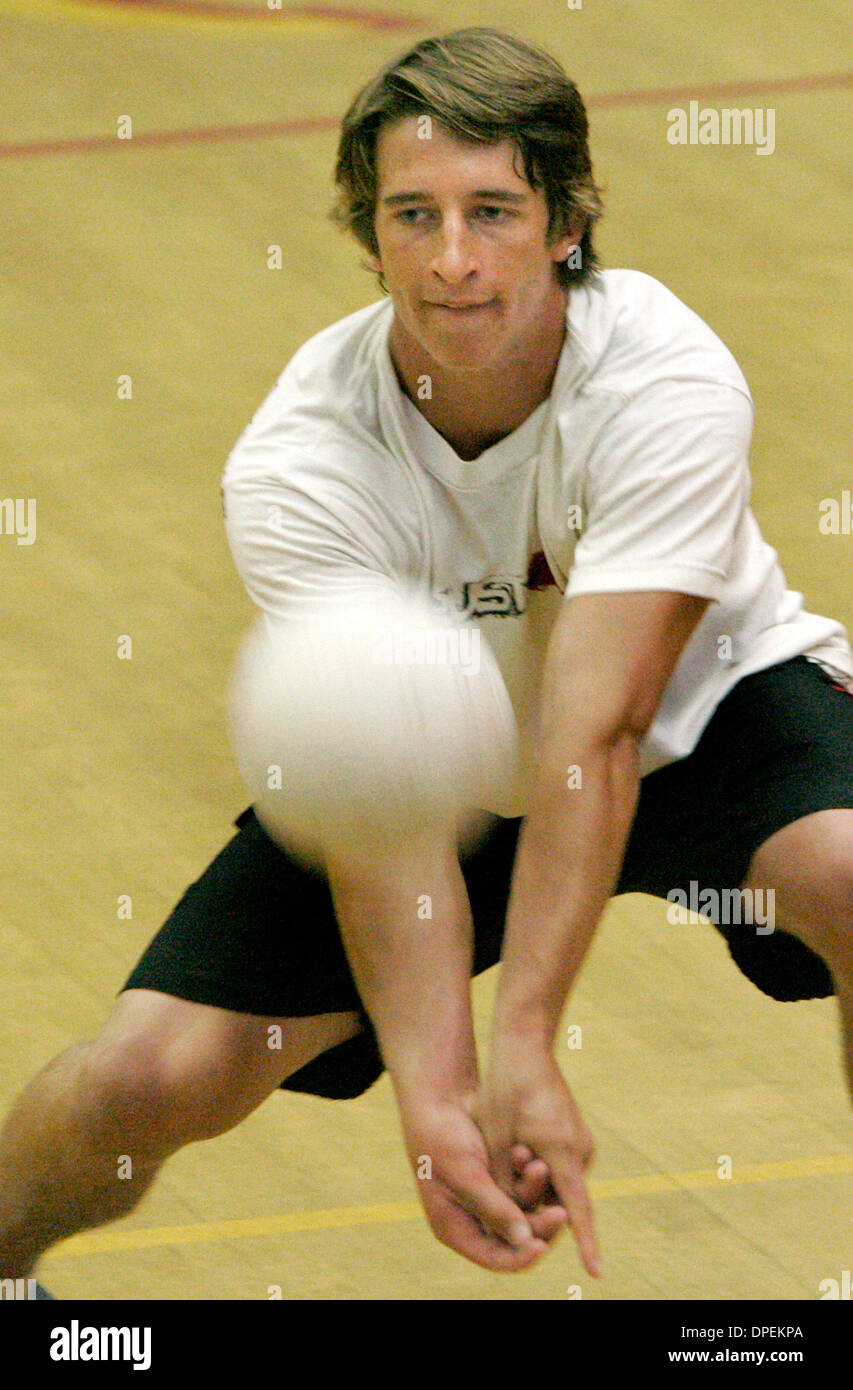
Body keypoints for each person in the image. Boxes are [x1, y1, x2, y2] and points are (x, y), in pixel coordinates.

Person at [1, 26, 852, 1291]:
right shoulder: (301, 464)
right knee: (150, 1073)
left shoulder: (663, 378)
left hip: (696, 716)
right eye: (414, 214)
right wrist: (439, 1098)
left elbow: (596, 732)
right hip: (438, 777)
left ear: (566, 223)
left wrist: (525, 1043)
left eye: (493, 212)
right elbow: (383, 811)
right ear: (369, 232)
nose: (453, 261)